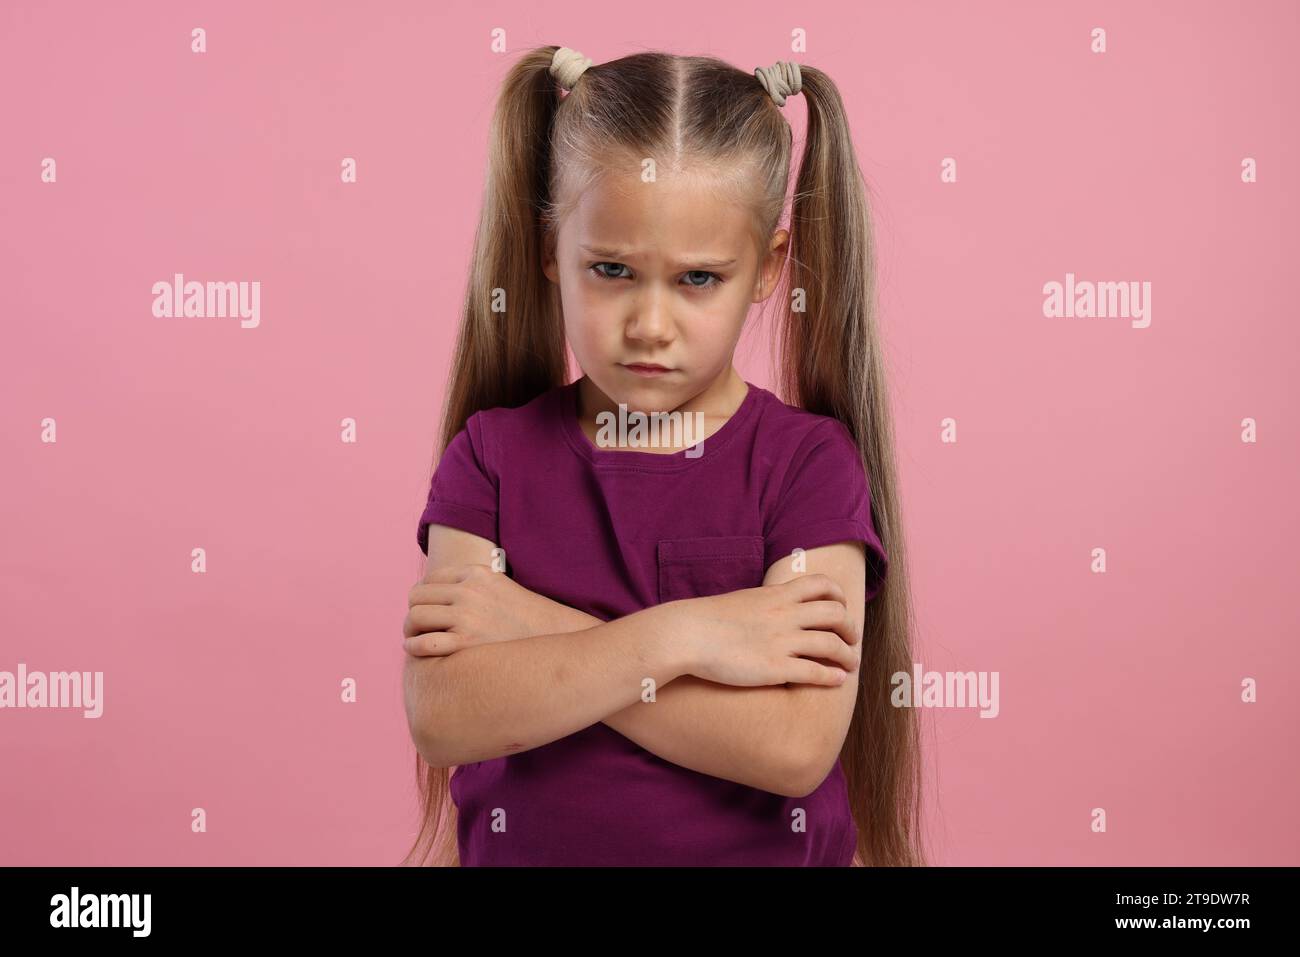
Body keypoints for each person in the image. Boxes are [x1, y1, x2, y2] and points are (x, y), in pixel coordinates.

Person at [400, 46, 923, 867]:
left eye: (698, 279)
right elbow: (446, 713)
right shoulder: (492, 459)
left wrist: (534, 630)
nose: (649, 324)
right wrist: (693, 636)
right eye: (611, 269)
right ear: (550, 250)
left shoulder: (807, 467)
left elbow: (792, 743)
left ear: (765, 270)